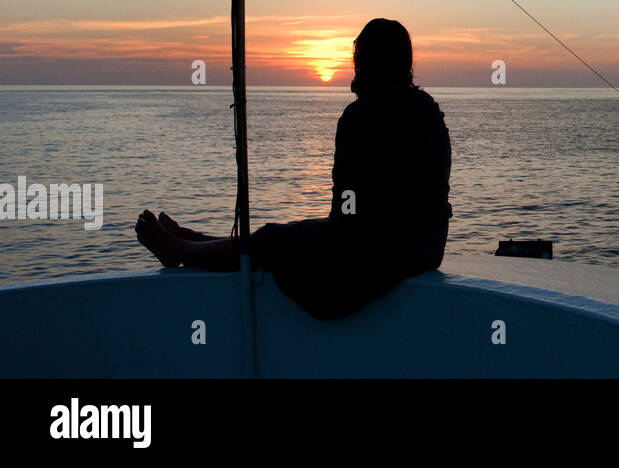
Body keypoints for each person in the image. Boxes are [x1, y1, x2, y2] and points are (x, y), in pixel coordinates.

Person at [134, 18, 453, 320]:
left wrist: (324, 237)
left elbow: (347, 211)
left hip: (376, 256)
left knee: (273, 240)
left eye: (358, 57)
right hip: (424, 248)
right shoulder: (428, 109)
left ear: (368, 62)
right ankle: (200, 242)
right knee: (287, 237)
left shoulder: (362, 115)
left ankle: (182, 251)